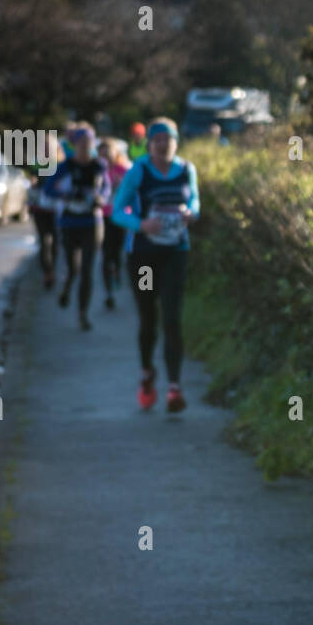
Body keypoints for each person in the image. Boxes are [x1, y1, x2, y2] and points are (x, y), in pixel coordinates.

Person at [110, 118, 200, 412]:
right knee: (149, 316)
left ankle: (174, 388)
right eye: (157, 139)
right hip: (144, 257)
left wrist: (190, 213)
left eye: (168, 139)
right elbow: (116, 211)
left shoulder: (186, 170)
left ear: (176, 142)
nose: (163, 144)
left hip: (175, 252)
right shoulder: (140, 170)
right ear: (150, 144)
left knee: (172, 318)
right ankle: (147, 372)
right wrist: (140, 224)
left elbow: (196, 202)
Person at [46, 124, 111, 331]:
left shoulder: (99, 165)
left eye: (89, 143)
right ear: (75, 145)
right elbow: (49, 189)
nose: (86, 147)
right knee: (74, 268)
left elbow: (107, 187)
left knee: (88, 271)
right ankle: (66, 288)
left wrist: (101, 198)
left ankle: (83, 314)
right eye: (82, 143)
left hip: (92, 222)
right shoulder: (65, 166)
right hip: (69, 222)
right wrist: (65, 195)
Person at [97, 137, 131, 310]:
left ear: (115, 154)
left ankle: (116, 276)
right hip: (101, 218)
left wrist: (120, 186)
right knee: (105, 255)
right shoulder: (96, 170)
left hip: (120, 217)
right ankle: (108, 292)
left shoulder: (123, 170)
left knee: (116, 253)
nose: (105, 158)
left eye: (108, 154)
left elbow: (132, 193)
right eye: (102, 154)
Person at [28, 130, 64, 291]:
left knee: (56, 242)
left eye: (49, 147)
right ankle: (47, 272)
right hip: (40, 209)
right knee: (44, 242)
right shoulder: (36, 164)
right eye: (43, 147)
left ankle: (53, 270)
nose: (46, 150)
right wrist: (33, 183)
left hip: (57, 210)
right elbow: (32, 182)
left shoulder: (62, 165)